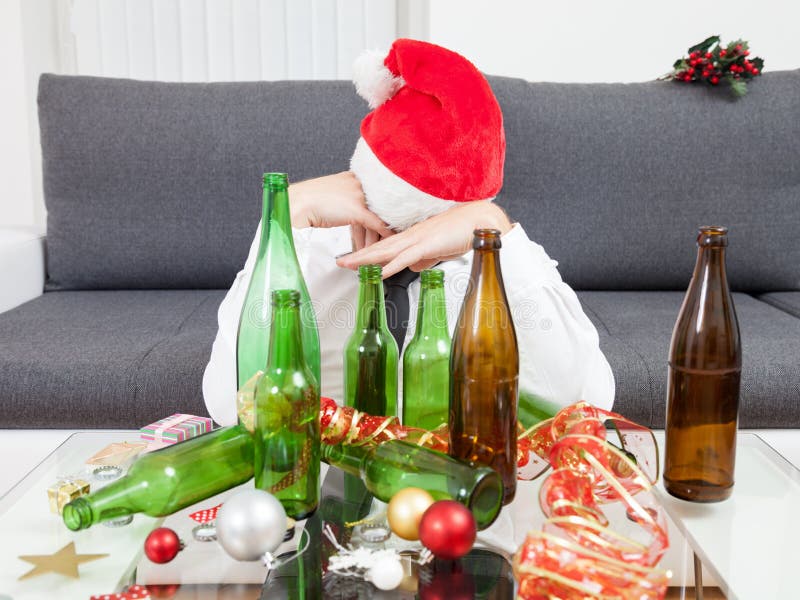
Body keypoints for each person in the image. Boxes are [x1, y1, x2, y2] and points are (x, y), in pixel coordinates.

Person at [203, 39, 614, 426]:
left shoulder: (495, 264)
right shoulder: (312, 252)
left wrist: (493, 232)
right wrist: (286, 215)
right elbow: (230, 403)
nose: (399, 241)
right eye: (390, 211)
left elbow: (587, 403)